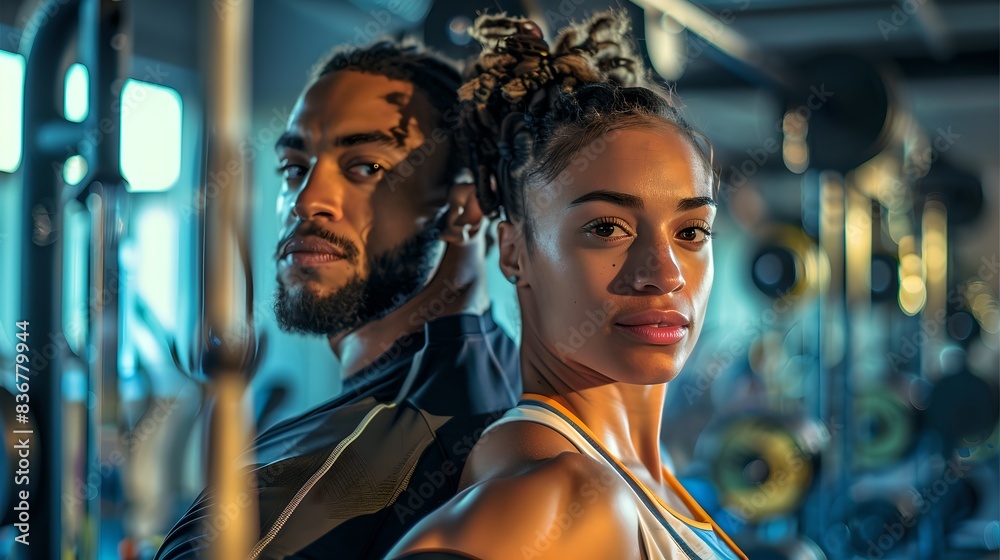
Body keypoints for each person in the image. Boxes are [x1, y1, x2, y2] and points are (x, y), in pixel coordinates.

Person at [387, 12, 747, 560]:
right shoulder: (569, 494)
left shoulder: (651, 477)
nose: (666, 273)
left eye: (691, 231)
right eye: (607, 228)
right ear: (514, 251)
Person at [155, 39, 521, 559]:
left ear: (464, 210)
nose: (306, 201)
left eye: (365, 167)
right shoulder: (510, 371)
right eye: (295, 167)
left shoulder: (309, 486)